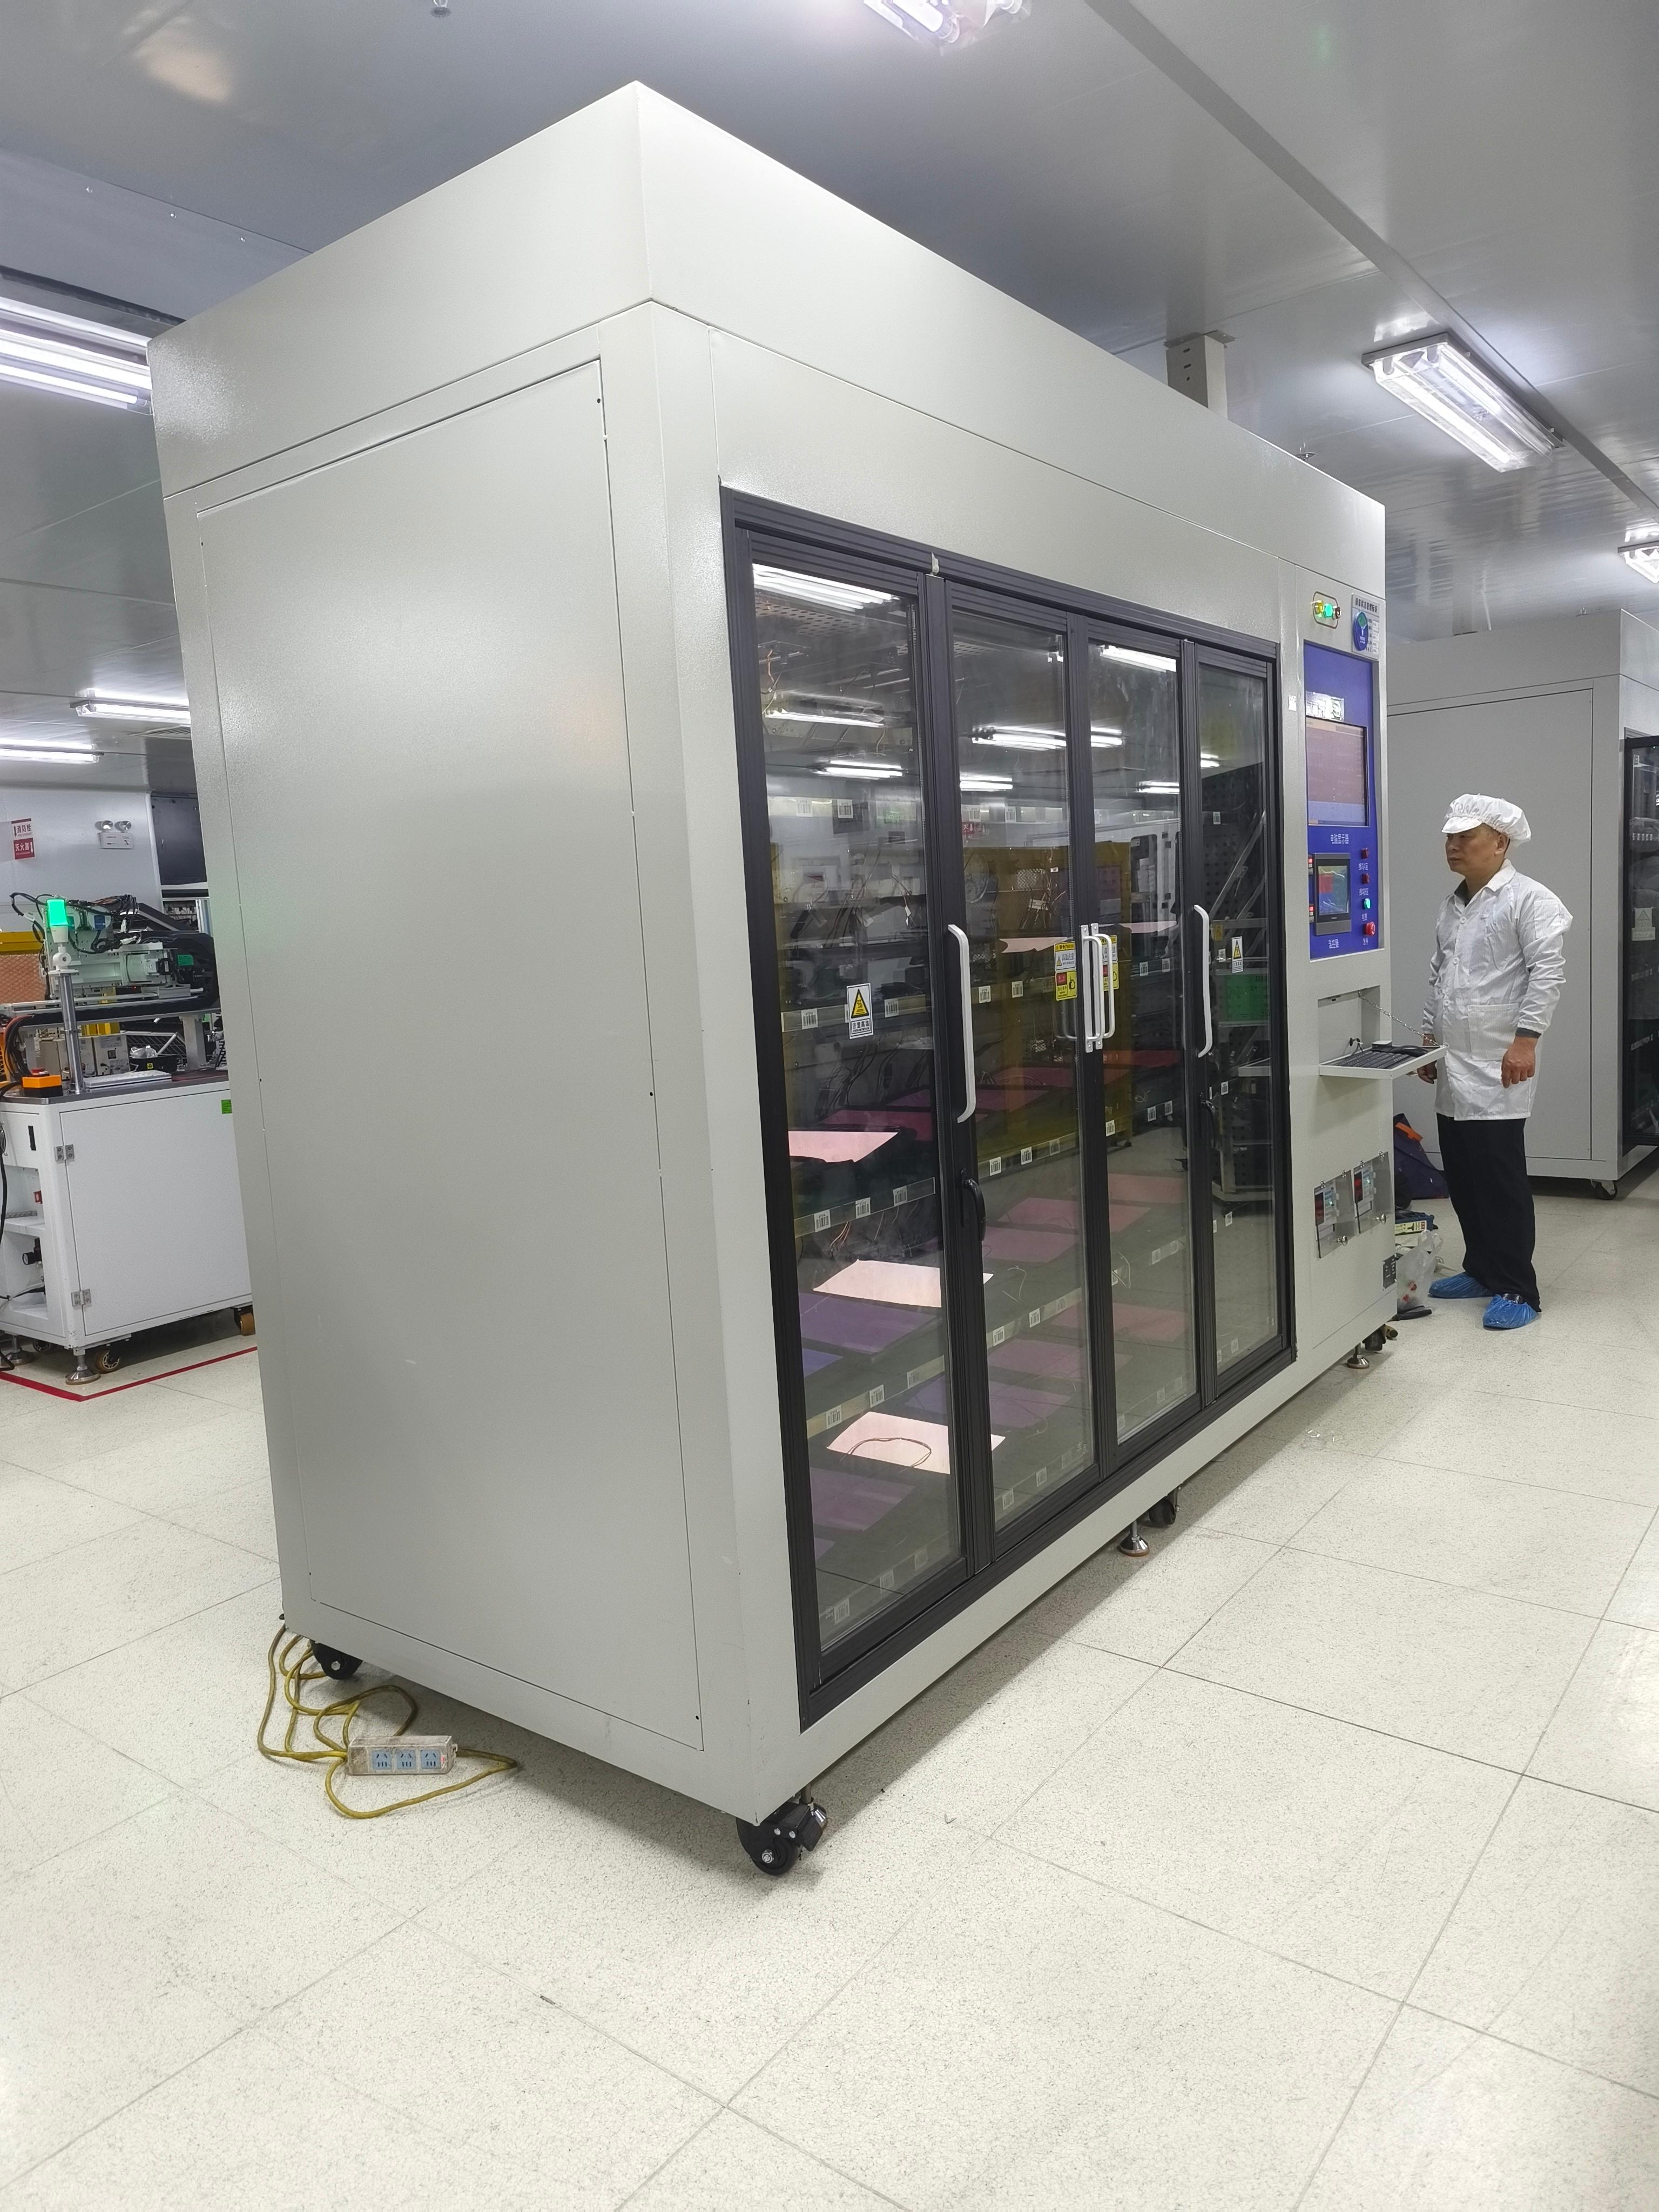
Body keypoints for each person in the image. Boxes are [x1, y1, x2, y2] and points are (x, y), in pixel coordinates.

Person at [1418, 793, 1571, 1330]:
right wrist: (1429, 1039)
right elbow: (1440, 976)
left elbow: (1547, 974)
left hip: (1498, 1059)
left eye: (1466, 837)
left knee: (1499, 1177)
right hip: (1453, 1059)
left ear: (1500, 842)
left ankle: (1516, 1287)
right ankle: (1482, 1269)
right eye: (1450, 837)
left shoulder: (1530, 900)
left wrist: (1526, 1040)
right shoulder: (1452, 905)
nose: (1453, 846)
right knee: (1463, 1174)